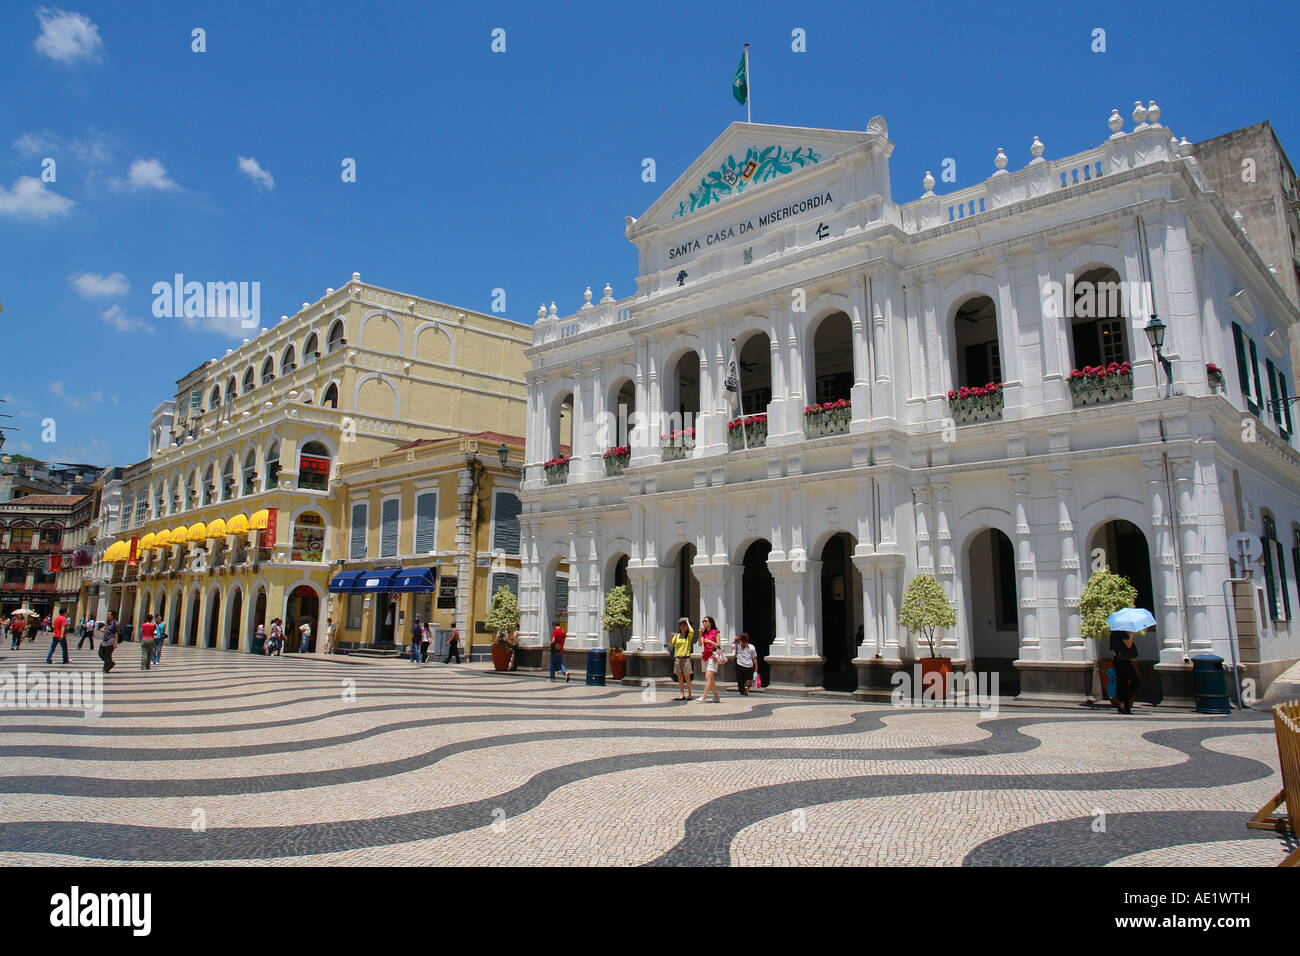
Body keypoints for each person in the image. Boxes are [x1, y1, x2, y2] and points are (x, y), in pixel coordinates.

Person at [1110, 629, 1141, 714]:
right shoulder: (1120, 632)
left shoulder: (1114, 632)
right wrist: (1131, 634)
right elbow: (1128, 644)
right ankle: (1122, 701)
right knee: (1135, 681)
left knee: (1122, 682)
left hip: (1118, 659)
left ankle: (1124, 705)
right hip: (1122, 660)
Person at [697, 615, 722, 703]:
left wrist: (710, 641)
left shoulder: (716, 632)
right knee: (710, 679)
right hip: (705, 656)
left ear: (710, 622)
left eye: (705, 621)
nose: (704, 623)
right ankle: (716, 697)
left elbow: (718, 645)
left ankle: (704, 697)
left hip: (713, 655)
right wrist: (700, 634)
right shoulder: (704, 633)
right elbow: (700, 644)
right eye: (703, 621)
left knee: (708, 676)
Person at [670, 617, 695, 701]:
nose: (683, 627)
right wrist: (671, 637)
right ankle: (682, 694)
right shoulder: (677, 636)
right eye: (681, 625)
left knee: (687, 677)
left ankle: (690, 694)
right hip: (678, 658)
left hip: (686, 659)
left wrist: (687, 622)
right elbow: (671, 644)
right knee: (679, 678)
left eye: (684, 625)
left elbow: (692, 631)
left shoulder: (688, 637)